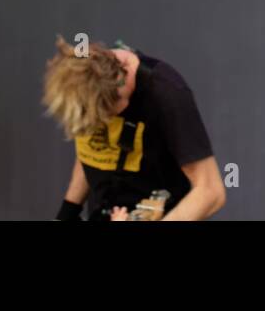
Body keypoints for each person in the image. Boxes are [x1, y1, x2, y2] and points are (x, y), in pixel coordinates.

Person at [42, 36, 225, 220]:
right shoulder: (90, 84)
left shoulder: (167, 93)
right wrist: (68, 211)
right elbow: (92, 152)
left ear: (118, 94)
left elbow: (210, 192)